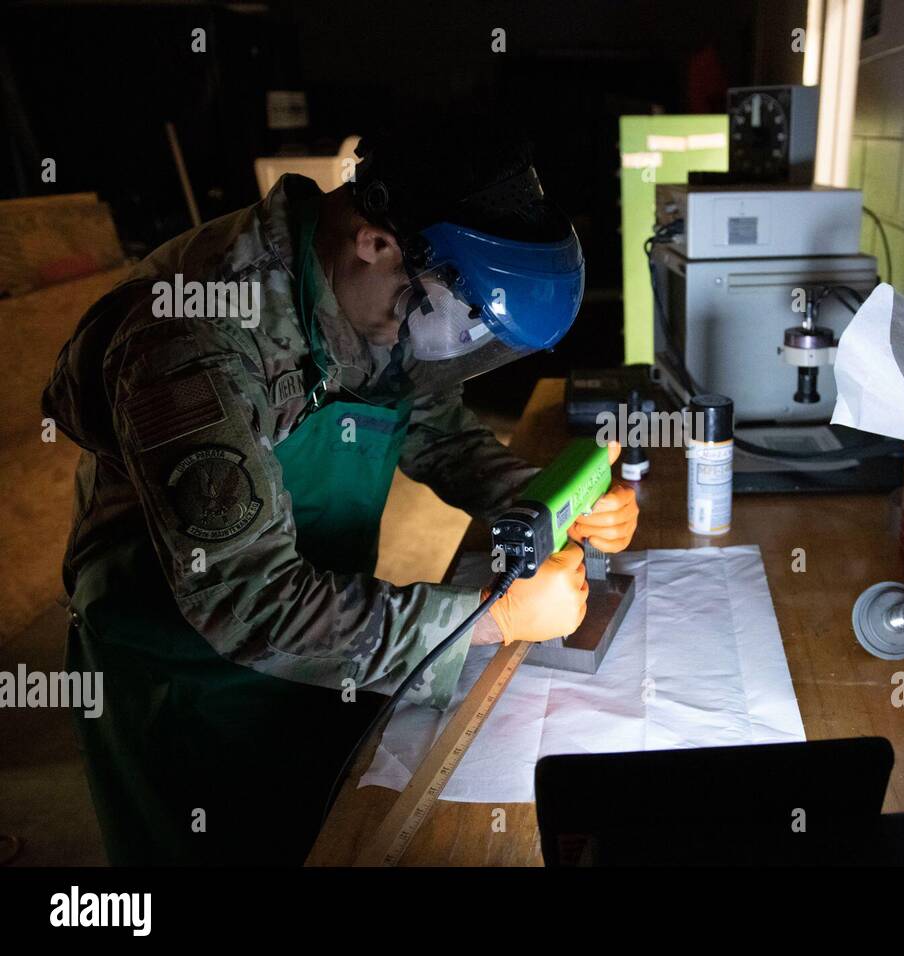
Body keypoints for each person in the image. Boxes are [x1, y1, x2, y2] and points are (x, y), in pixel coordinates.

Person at [41, 125, 638, 865]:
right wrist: (486, 621)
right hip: (184, 675)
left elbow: (433, 429)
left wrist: (556, 499)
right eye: (459, 317)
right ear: (377, 243)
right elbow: (247, 599)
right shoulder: (193, 333)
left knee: (326, 837)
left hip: (330, 635)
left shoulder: (372, 293)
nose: (453, 340)